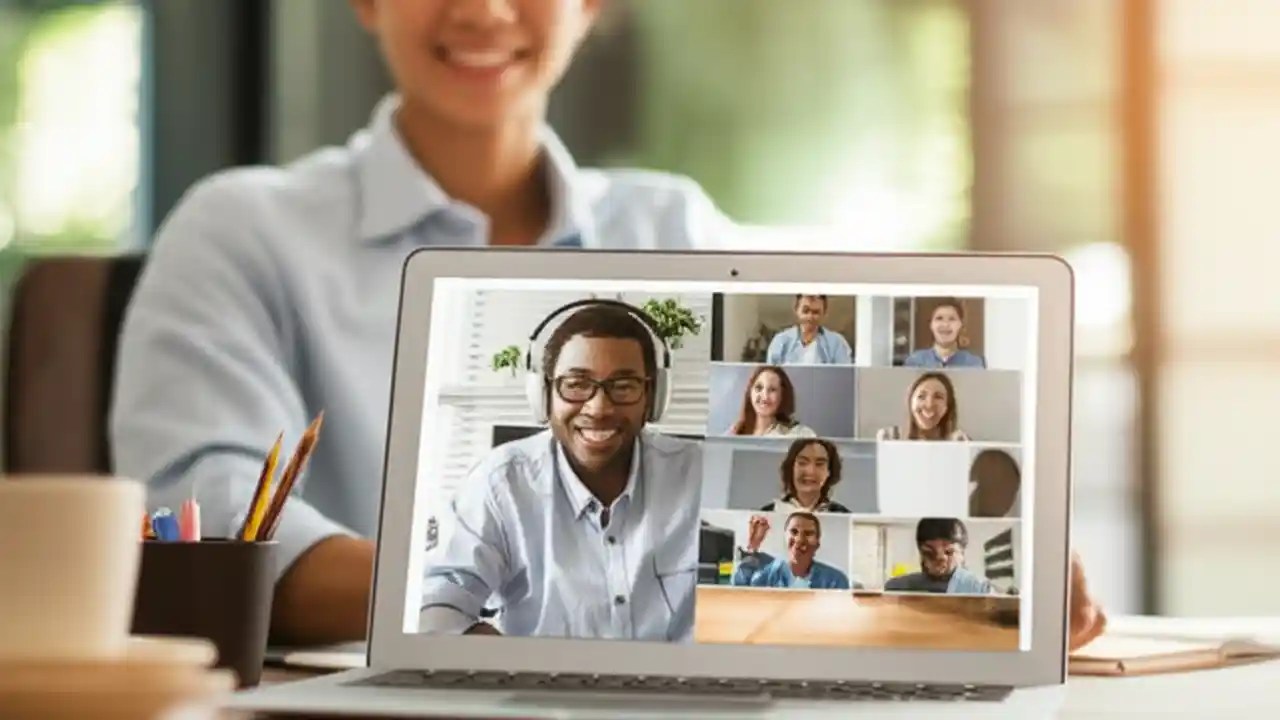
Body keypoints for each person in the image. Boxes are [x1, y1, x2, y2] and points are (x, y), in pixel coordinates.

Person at [108, 0, 1105, 651]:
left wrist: (983, 552)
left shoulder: (669, 225)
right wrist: (541, 600)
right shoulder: (242, 228)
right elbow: (214, 522)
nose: (484, 10)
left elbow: (801, 468)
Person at [419, 303, 699, 639]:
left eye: (623, 386)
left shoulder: (698, 474)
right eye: (576, 384)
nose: (599, 408)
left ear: (652, 397)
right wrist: (486, 653)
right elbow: (436, 598)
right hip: (541, 687)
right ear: (544, 395)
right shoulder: (500, 483)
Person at [732, 513, 855, 590]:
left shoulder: (835, 580)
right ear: (785, 537)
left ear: (818, 543)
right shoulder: (766, 573)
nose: (800, 539)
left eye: (808, 534)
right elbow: (738, 592)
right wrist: (753, 545)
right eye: (794, 532)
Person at [884, 518, 996, 594]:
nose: (939, 559)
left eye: (948, 552)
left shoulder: (981, 589)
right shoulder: (898, 588)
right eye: (929, 552)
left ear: (962, 554)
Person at [759, 438, 851, 514]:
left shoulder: (844, 515)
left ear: (829, 471)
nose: (810, 471)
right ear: (791, 468)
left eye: (819, 464)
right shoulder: (767, 514)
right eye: (802, 462)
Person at [876, 371, 970, 441]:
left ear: (948, 406)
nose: (929, 405)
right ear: (910, 402)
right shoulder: (889, 437)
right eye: (921, 396)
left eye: (938, 397)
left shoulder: (960, 440)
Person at [726, 365, 816, 438]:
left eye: (772, 389)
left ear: (783, 396)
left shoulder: (799, 434)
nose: (765, 396)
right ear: (750, 392)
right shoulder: (735, 432)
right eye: (759, 388)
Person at [765, 294, 852, 365]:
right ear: (796, 310)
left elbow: (843, 378)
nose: (810, 317)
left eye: (816, 312)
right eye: (805, 311)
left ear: (824, 313)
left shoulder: (837, 343)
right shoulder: (780, 341)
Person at [903, 299, 986, 369]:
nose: (945, 324)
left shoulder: (974, 363)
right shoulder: (915, 362)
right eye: (939, 318)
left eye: (952, 319)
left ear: (961, 324)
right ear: (931, 324)